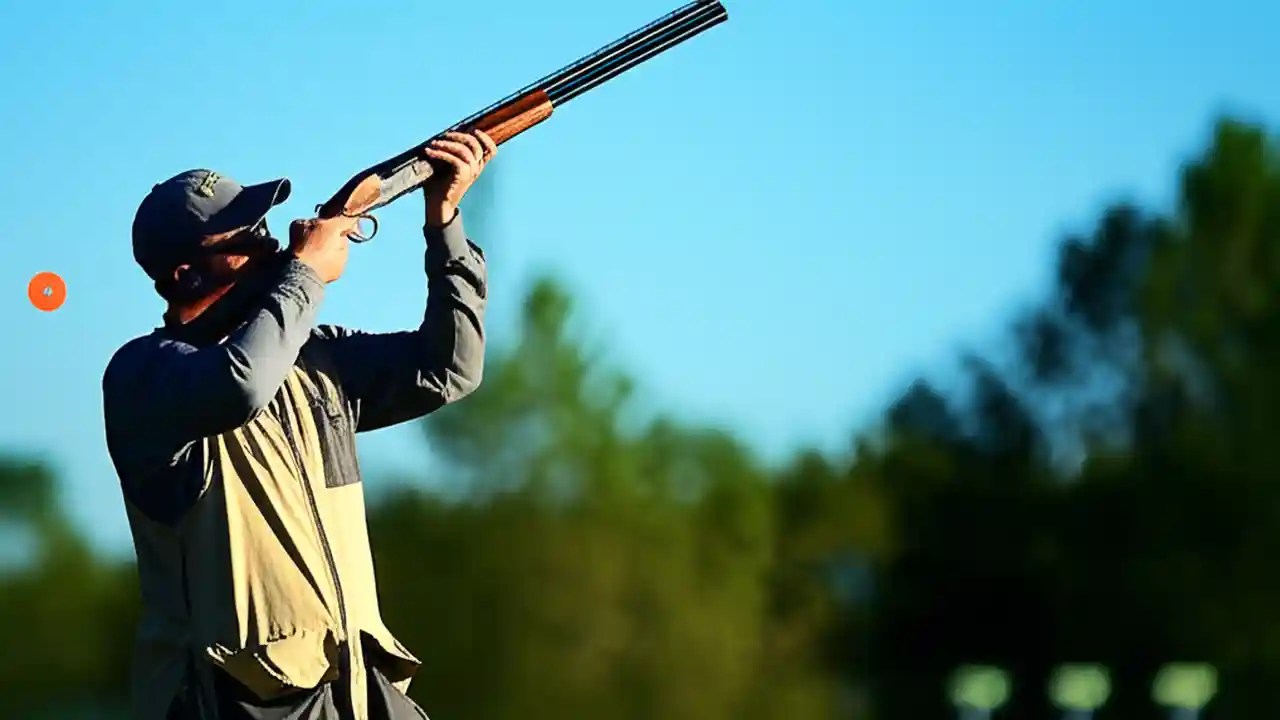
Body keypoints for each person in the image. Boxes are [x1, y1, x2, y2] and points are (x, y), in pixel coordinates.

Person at [101, 129, 498, 720]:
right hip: (238, 705)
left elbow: (451, 367)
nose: (269, 243)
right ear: (187, 274)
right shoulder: (144, 376)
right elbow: (240, 383)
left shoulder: (316, 358)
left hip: (359, 695)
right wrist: (306, 275)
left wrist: (444, 223)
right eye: (246, 236)